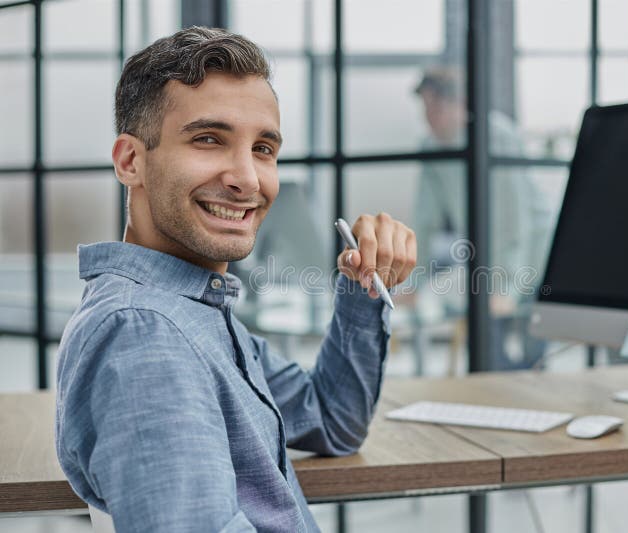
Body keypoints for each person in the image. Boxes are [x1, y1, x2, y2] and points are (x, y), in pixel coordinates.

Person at [55, 27, 416, 532]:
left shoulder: (194, 311)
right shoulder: (146, 332)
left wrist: (365, 283)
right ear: (131, 161)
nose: (248, 179)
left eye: (264, 148)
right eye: (208, 139)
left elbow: (332, 421)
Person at [413, 65, 552, 371]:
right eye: (425, 107)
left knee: (531, 352)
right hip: (490, 253)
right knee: (491, 347)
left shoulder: (495, 135)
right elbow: (425, 219)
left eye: (434, 106)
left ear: (459, 103)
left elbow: (515, 218)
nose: (428, 116)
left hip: (535, 249)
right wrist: (414, 279)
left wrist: (510, 289)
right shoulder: (431, 145)